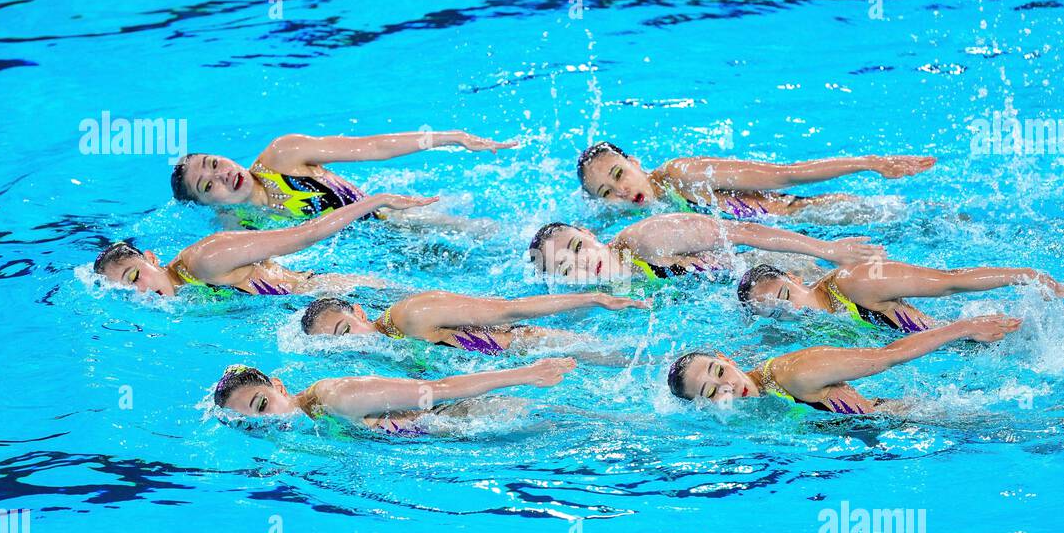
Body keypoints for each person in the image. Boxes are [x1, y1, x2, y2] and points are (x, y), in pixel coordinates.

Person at [91, 193, 434, 298]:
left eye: (135, 276)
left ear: (152, 259)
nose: (140, 292)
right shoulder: (183, 293)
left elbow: (305, 235)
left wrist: (377, 202)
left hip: (349, 296)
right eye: (126, 290)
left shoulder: (207, 259)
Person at [666, 315, 1022, 415]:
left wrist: (962, 328)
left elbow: (888, 356)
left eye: (719, 371)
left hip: (916, 419)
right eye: (712, 392)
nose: (727, 387)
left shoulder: (796, 372)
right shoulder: (746, 412)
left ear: (727, 359)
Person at [169, 129, 514, 226]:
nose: (224, 176)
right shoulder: (237, 228)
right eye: (208, 185)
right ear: (204, 205)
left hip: (397, 219)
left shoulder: (283, 155)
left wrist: (448, 137)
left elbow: (374, 147)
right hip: (374, 264)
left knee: (486, 234)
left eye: (214, 163)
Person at [211, 357, 577, 436]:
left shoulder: (338, 397)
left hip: (481, 416)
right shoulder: (311, 426)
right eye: (251, 421)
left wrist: (525, 375)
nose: (267, 420)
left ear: (279, 387)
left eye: (262, 405)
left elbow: (441, 390)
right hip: (466, 440)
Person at [576, 140, 934, 216]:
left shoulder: (683, 175)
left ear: (635, 162)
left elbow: (785, 176)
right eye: (607, 192)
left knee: (929, 219)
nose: (622, 191)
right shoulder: (647, 223)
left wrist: (869, 163)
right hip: (797, 244)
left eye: (620, 174)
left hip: (819, 215)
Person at [299, 290, 647, 362]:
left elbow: (507, 312)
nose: (345, 345)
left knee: (634, 362)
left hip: (533, 346)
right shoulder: (382, 356)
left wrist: (592, 299)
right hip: (524, 371)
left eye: (344, 332)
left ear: (359, 313)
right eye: (332, 345)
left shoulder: (410, 315)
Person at [737, 260, 1064, 332]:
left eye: (786, 293)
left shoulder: (854, 282)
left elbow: (949, 281)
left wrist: (1028, 277)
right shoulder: (806, 330)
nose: (790, 308)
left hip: (985, 338)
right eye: (776, 311)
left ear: (795, 278)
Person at [528, 214, 884, 282]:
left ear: (589, 233)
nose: (585, 262)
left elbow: (739, 231)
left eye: (577, 246)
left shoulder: (647, 239)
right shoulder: (605, 297)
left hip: (783, 268)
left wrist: (827, 251)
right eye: (566, 268)